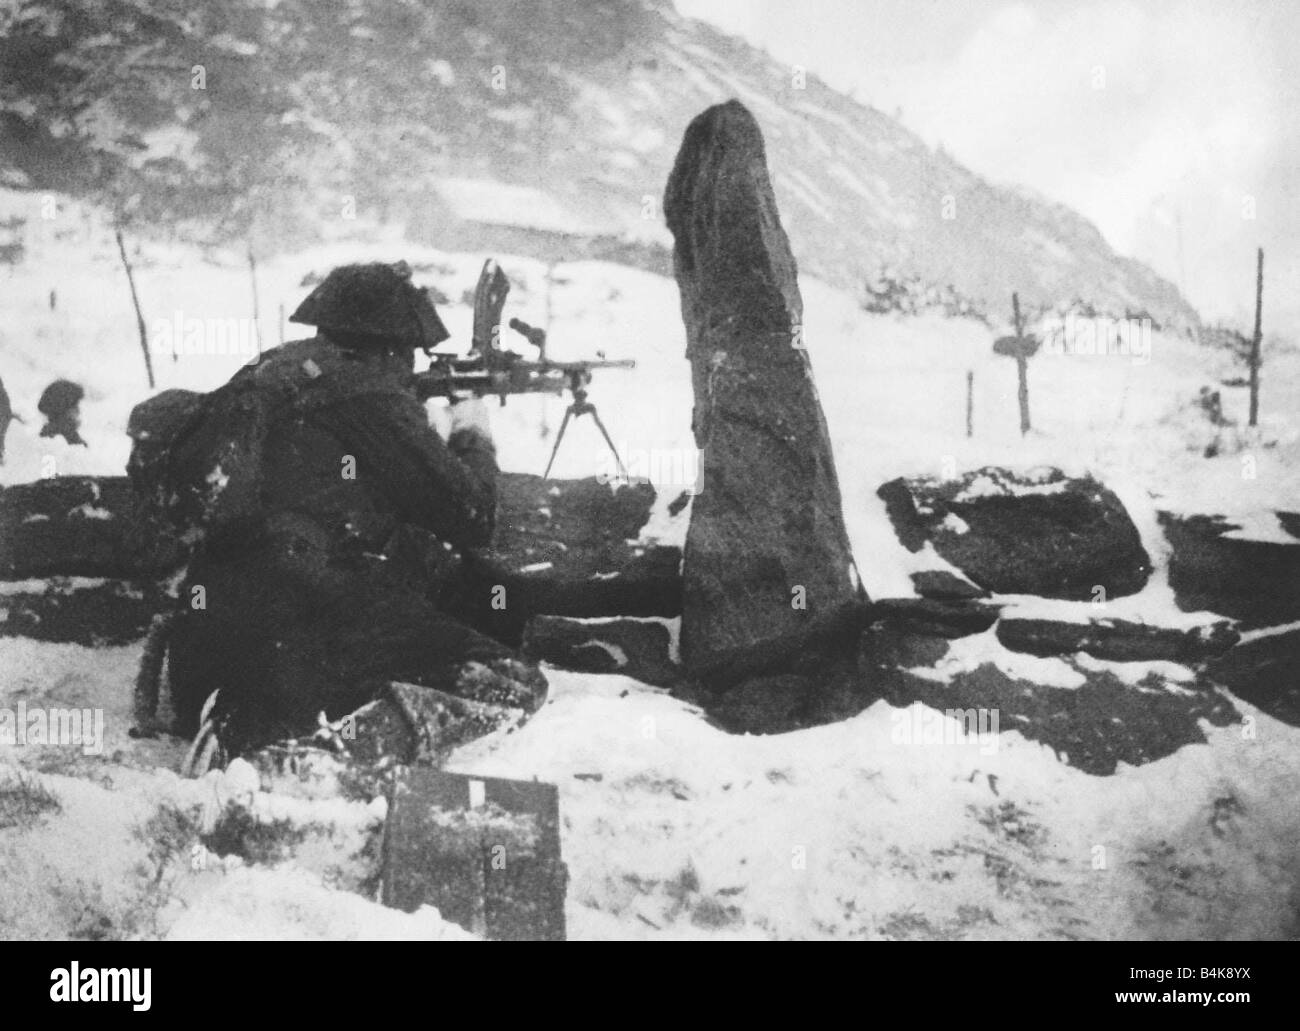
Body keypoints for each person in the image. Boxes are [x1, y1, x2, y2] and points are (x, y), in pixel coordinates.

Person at [130, 262, 546, 771]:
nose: (412, 367)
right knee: (510, 682)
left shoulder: (272, 370)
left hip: (208, 641)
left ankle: (242, 719)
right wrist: (470, 427)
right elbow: (472, 515)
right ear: (393, 346)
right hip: (309, 618)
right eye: (410, 354)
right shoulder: (369, 395)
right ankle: (308, 758)